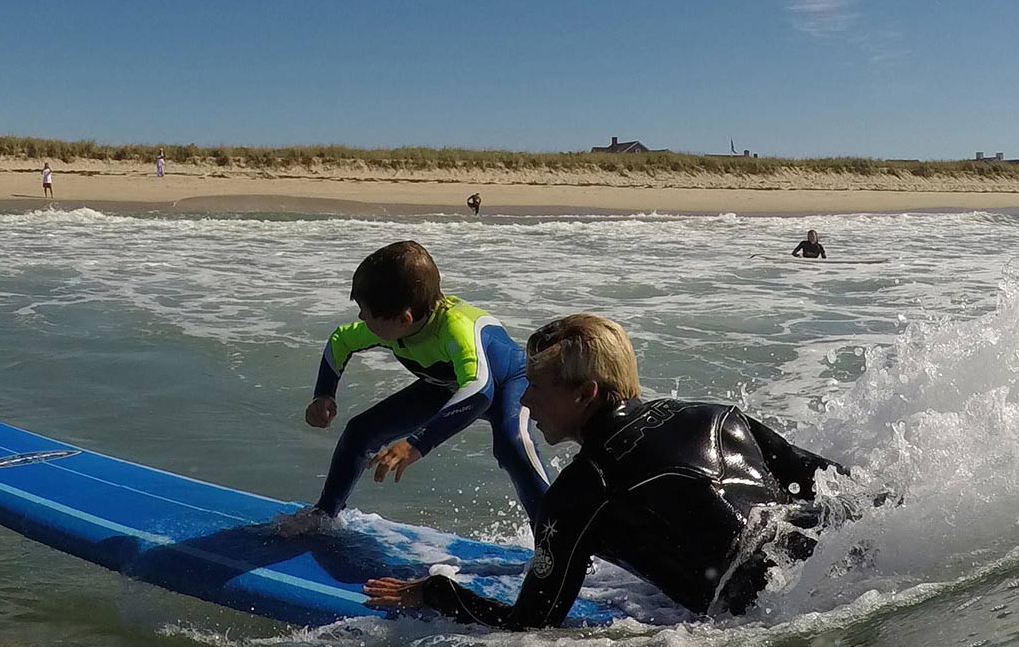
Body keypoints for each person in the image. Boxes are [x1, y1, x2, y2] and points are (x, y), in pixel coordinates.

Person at [364, 313, 846, 627]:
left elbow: (529, 624)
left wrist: (438, 593)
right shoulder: (716, 415)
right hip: (841, 566)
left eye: (537, 387)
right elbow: (835, 484)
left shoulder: (580, 494)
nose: (525, 400)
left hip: (775, 615)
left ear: (585, 393)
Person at [292, 239, 550, 526]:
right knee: (360, 431)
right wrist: (324, 394)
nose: (361, 317)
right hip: (446, 386)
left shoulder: (454, 329)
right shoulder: (390, 325)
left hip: (507, 383)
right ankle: (324, 515)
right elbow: (340, 341)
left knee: (512, 444)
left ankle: (557, 534)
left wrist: (417, 443)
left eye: (366, 312)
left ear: (404, 319)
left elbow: (480, 389)